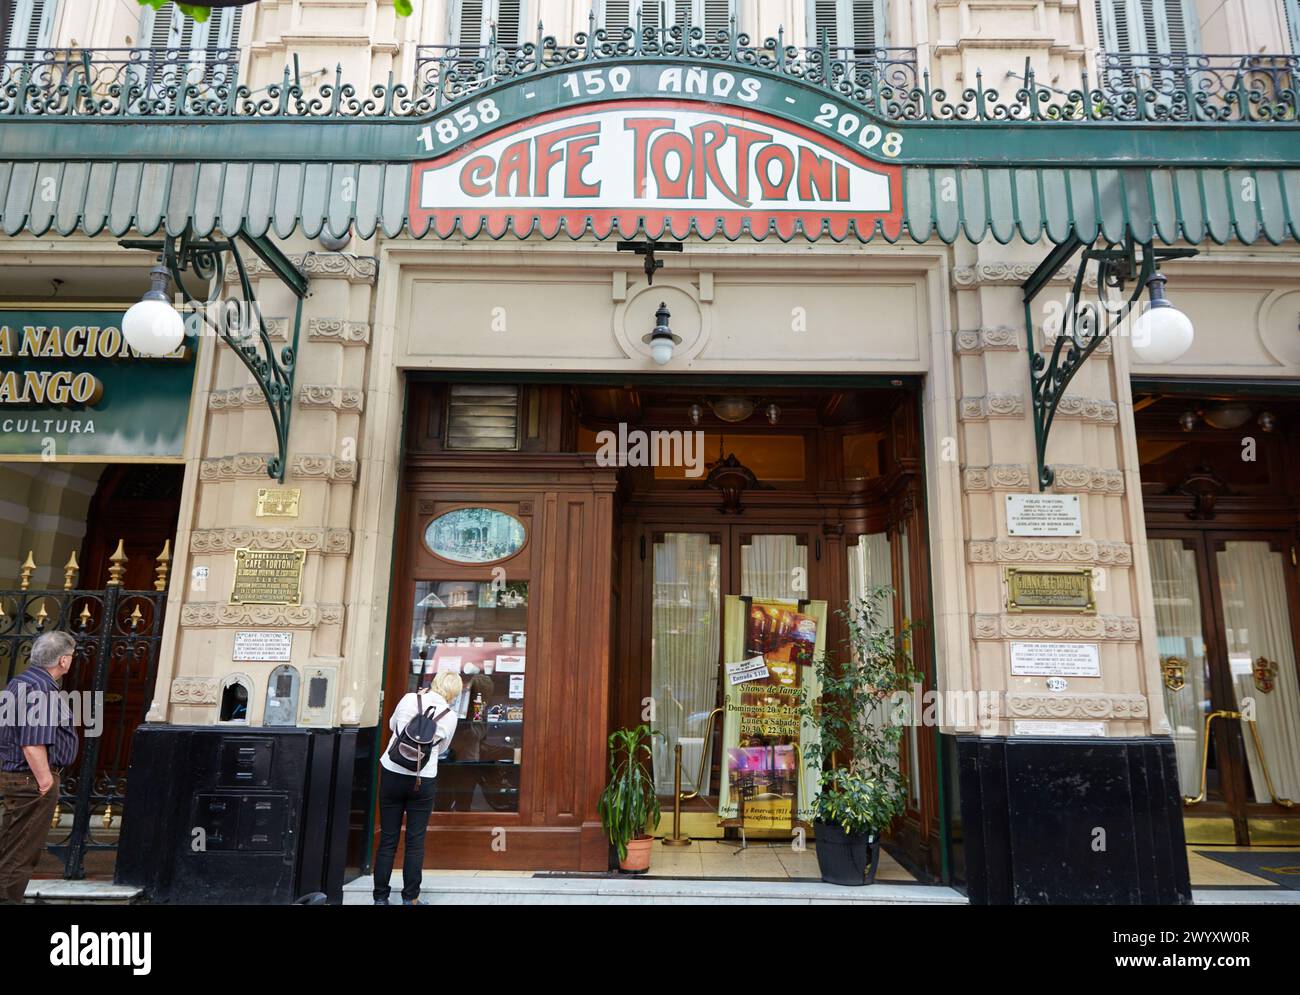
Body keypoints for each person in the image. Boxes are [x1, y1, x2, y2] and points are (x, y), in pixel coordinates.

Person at [0, 631, 79, 905]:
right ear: (64, 661)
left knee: (12, 846)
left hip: (19, 777)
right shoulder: (41, 689)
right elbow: (32, 743)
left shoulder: (20, 682)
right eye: (72, 657)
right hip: (31, 780)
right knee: (21, 852)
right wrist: (46, 783)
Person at [373, 669, 461, 905]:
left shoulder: (410, 699)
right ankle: (410, 898)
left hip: (392, 771)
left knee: (388, 839)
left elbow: (392, 725)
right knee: (415, 841)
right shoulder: (450, 716)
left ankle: (380, 898)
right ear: (454, 692)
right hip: (422, 779)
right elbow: (441, 750)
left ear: (435, 683)